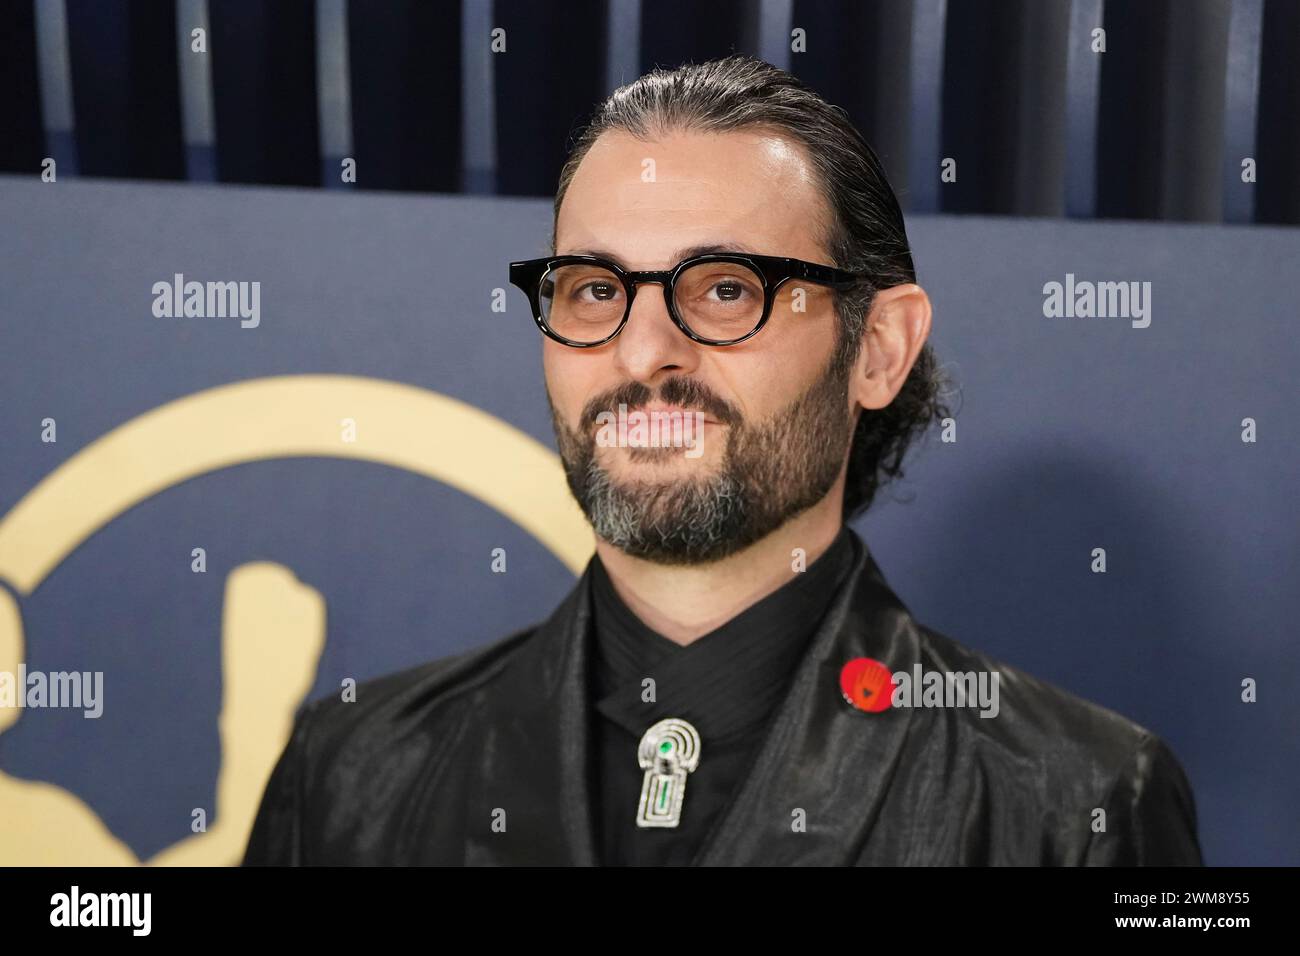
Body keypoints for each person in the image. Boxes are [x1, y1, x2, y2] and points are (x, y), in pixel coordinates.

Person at [242, 54, 1203, 866]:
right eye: (590, 290)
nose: (641, 350)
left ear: (878, 349)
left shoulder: (1078, 804)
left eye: (727, 288)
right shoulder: (351, 771)